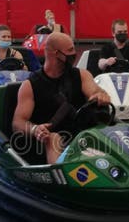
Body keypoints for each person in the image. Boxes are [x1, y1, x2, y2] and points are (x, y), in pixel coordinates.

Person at [12, 31, 112, 163]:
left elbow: (95, 91)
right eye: (70, 50)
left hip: (80, 134)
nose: (74, 54)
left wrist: (100, 95)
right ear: (56, 53)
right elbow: (18, 122)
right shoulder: (30, 85)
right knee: (53, 138)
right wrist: (35, 129)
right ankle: (59, 173)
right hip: (47, 141)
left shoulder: (81, 75)